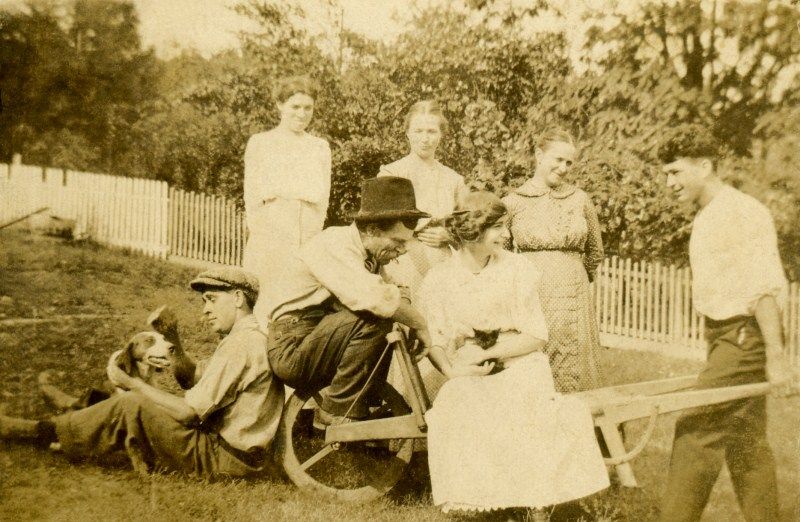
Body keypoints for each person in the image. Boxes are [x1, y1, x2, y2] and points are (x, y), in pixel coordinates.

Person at [420, 192, 609, 514]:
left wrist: (486, 354)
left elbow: (536, 336)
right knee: (456, 401)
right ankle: (484, 502)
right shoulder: (440, 277)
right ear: (472, 231)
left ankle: (537, 502)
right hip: (468, 366)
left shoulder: (517, 268)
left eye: (505, 227)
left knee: (525, 407)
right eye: (497, 228)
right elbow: (435, 340)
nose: (506, 235)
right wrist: (453, 371)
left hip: (522, 360)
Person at [0, 268, 284, 478]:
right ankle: (67, 424)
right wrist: (173, 338)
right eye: (203, 302)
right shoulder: (249, 338)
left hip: (223, 460)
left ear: (237, 298)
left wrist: (131, 383)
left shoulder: (241, 345)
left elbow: (188, 412)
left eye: (211, 299)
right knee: (136, 405)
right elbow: (194, 378)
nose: (205, 311)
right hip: (244, 456)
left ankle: (38, 431)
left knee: (131, 403)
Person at [657, 126, 800, 522]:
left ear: (705, 166)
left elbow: (764, 290)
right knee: (746, 442)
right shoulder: (710, 214)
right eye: (666, 174)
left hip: (743, 337)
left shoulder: (741, 212)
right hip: (725, 337)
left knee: (696, 429)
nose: (669, 183)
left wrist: (776, 355)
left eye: (676, 172)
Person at [264, 176, 433, 426]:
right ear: (373, 230)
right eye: (398, 242)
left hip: (315, 337)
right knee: (376, 318)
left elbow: (395, 289)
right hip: (293, 344)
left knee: (386, 316)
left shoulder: (367, 254)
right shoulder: (335, 244)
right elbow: (377, 299)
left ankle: (360, 400)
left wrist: (403, 303)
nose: (404, 249)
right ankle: (337, 411)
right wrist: (419, 324)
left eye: (407, 242)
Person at [502, 128, 604, 393]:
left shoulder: (580, 200)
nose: (563, 168)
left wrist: (575, 274)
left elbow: (595, 251)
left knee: (577, 368)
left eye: (569, 162)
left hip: (575, 296)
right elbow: (498, 254)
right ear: (539, 155)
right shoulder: (513, 202)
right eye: (557, 159)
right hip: (534, 293)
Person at [242, 75, 332, 328]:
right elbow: (252, 200)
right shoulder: (261, 143)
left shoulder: (320, 147)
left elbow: (323, 201)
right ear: (280, 105)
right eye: (295, 106)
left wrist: (311, 243)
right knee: (264, 303)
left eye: (308, 108)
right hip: (270, 236)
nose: (302, 114)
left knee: (298, 306)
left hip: (307, 236)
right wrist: (264, 237)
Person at [378, 100, 468, 298]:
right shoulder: (391, 173)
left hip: (444, 262)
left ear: (441, 135)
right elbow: (379, 227)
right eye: (418, 131)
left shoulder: (454, 179)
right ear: (407, 133)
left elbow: (470, 227)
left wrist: (450, 236)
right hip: (402, 260)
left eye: (431, 131)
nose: (425, 139)